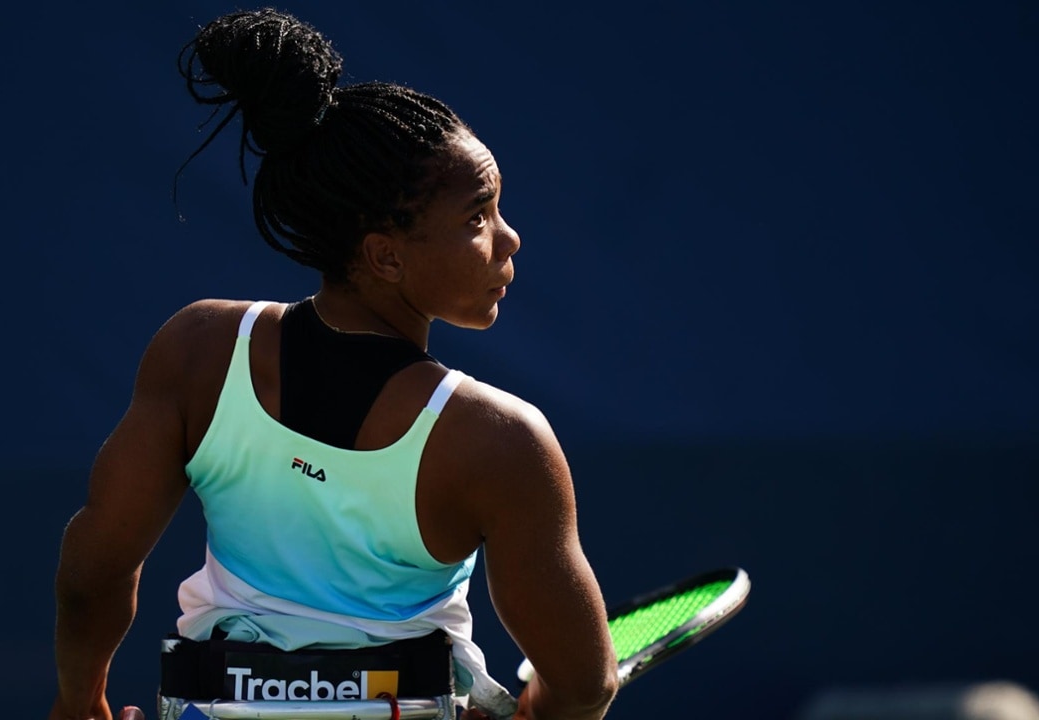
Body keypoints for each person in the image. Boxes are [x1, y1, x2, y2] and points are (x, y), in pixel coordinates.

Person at [49, 8, 618, 720]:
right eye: (478, 216)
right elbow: (584, 685)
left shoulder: (198, 350)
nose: (510, 239)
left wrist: (81, 703)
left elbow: (92, 573)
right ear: (384, 255)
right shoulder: (499, 441)